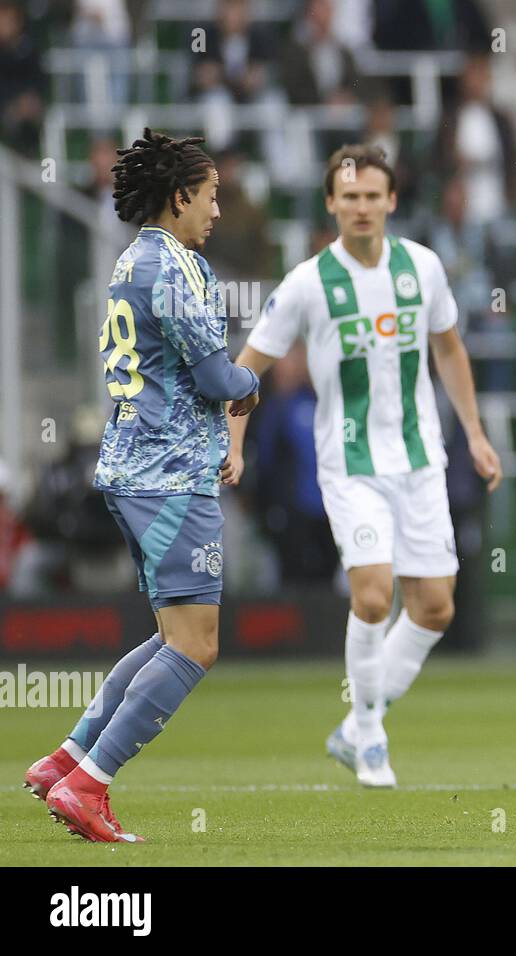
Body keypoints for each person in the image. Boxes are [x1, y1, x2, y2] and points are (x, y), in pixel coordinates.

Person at [225, 144, 502, 787]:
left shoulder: (423, 268)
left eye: (372, 196)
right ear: (331, 204)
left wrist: (477, 435)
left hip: (419, 458)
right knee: (374, 593)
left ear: (391, 200)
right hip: (348, 463)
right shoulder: (306, 284)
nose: (361, 207)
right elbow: (247, 370)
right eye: (349, 197)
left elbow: (450, 352)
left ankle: (354, 728)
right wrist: (235, 442)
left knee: (434, 607)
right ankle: (372, 734)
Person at [24, 129, 261, 842]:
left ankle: (67, 761)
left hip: (132, 470)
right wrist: (250, 384)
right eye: (211, 196)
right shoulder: (178, 269)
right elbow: (218, 377)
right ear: (180, 196)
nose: (217, 211)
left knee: (169, 636)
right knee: (195, 646)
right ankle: (91, 787)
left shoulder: (130, 261)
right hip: (171, 478)